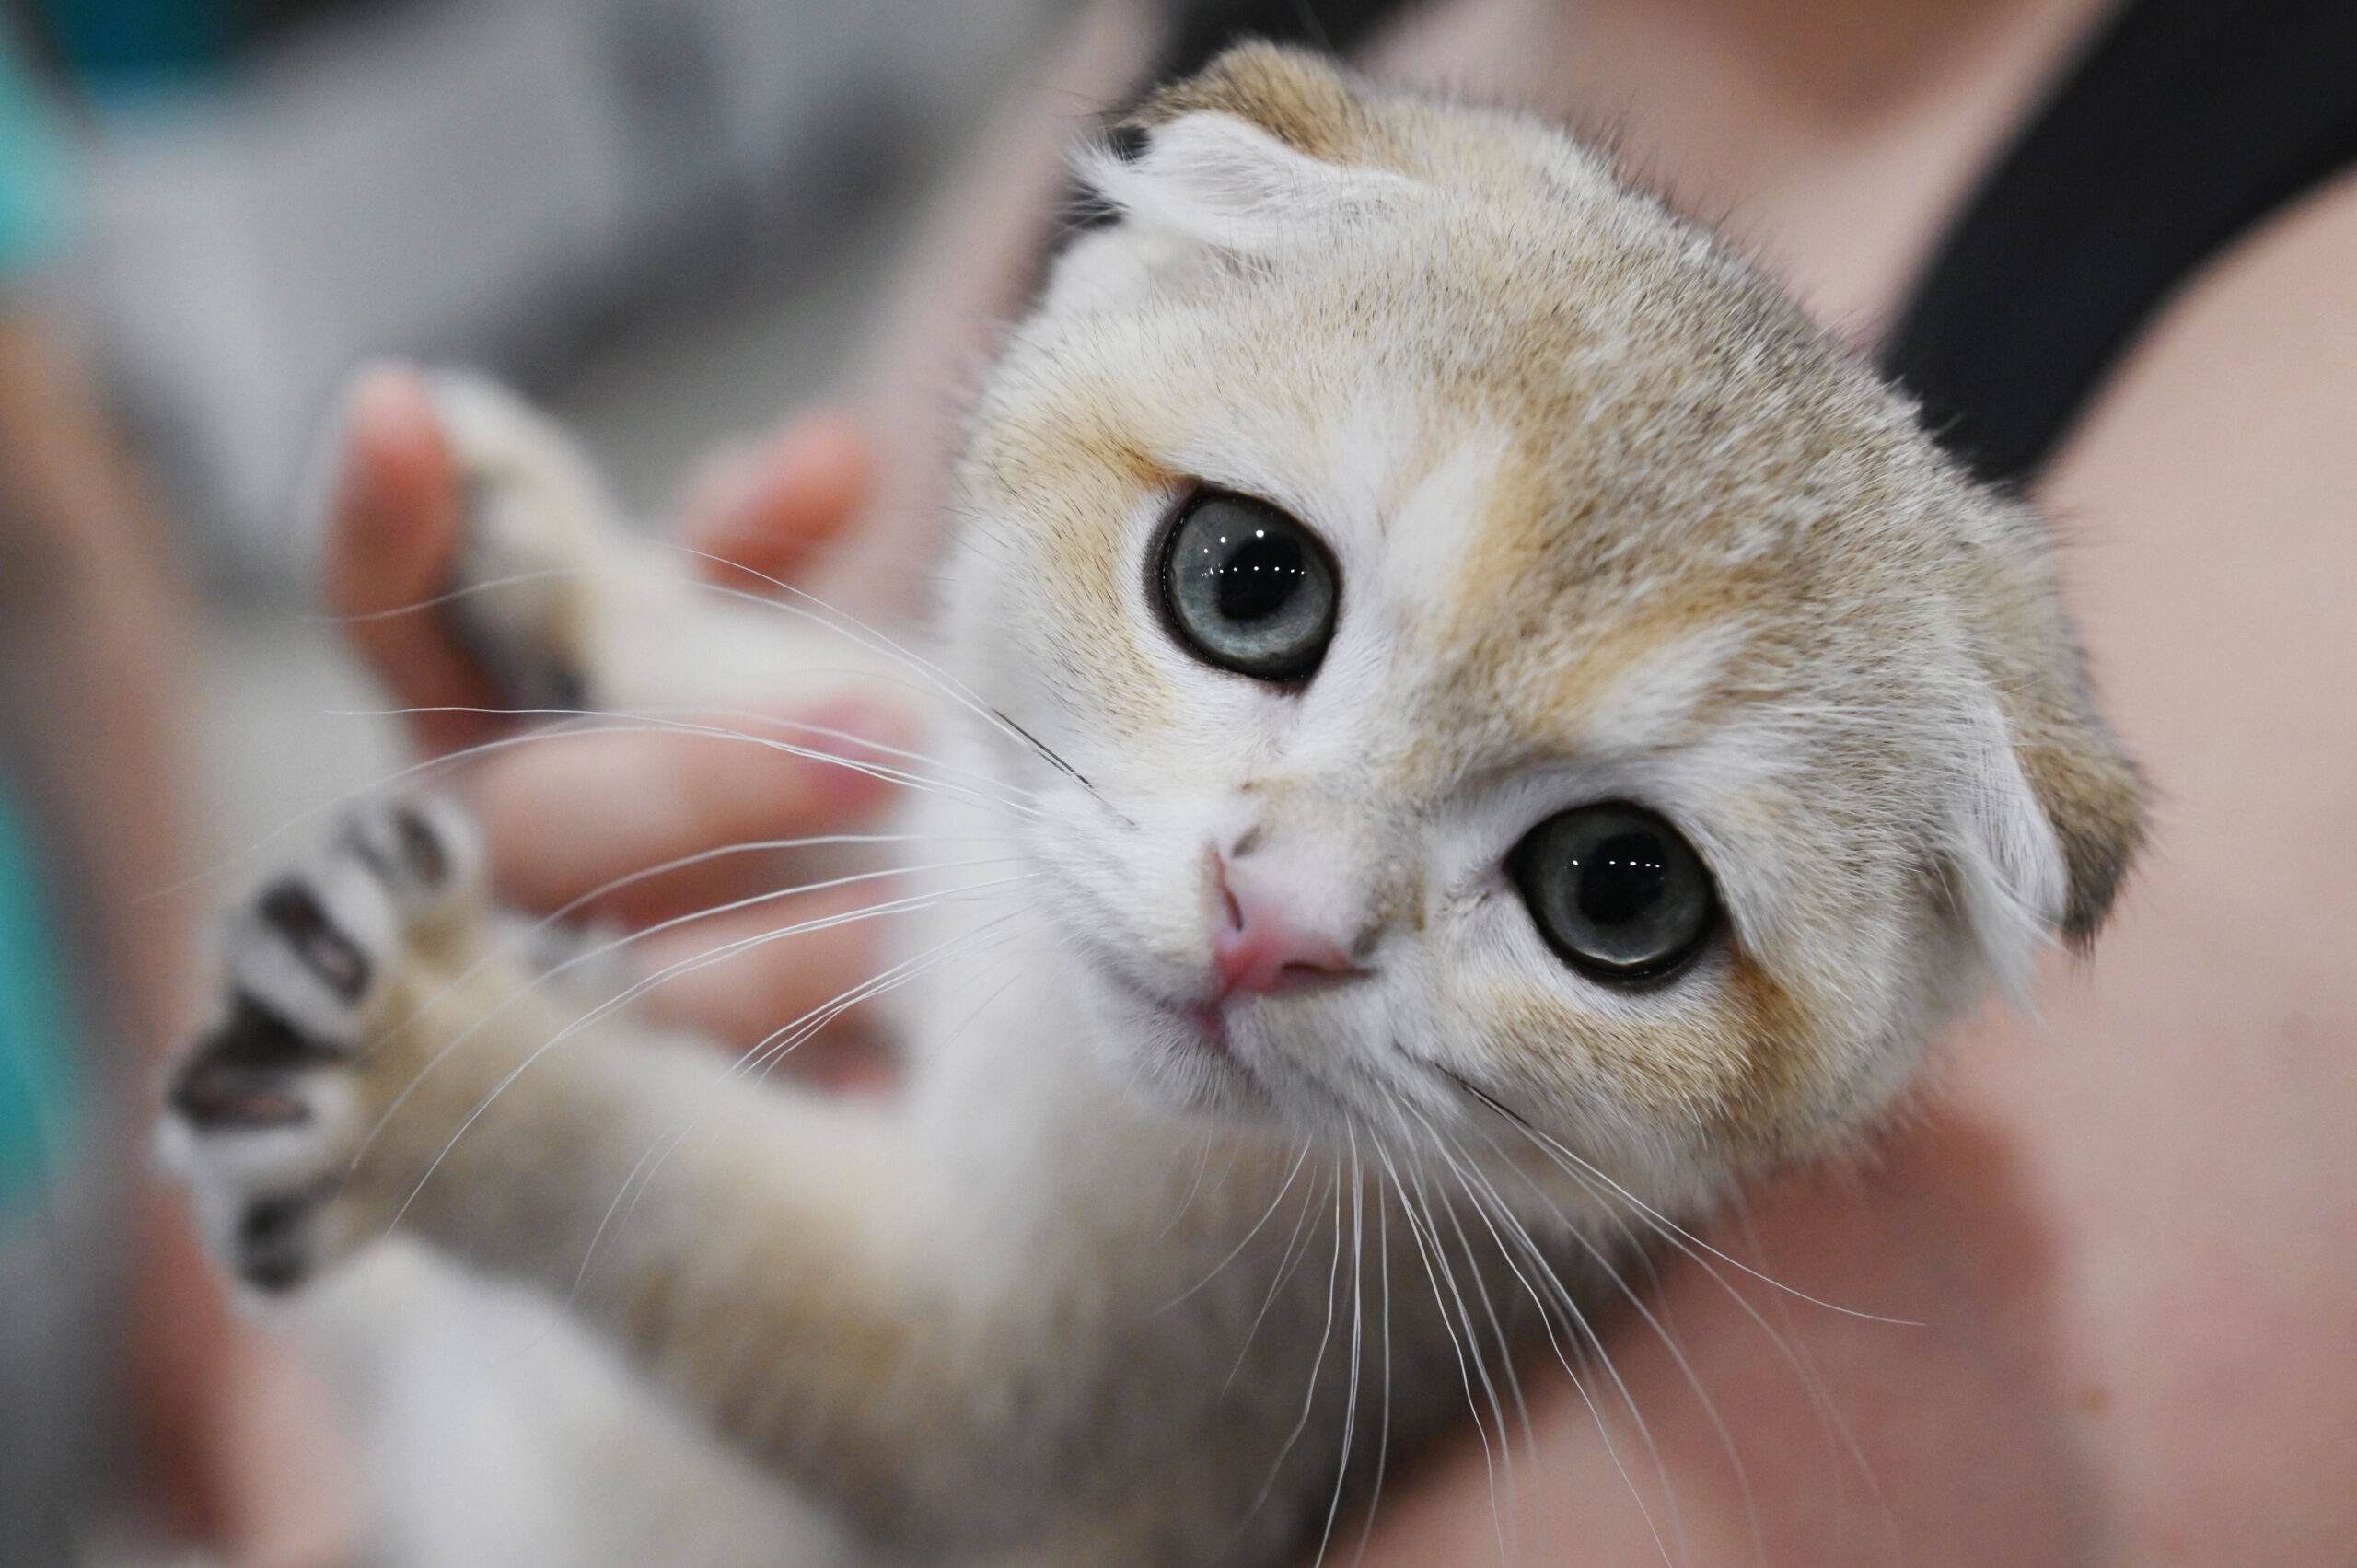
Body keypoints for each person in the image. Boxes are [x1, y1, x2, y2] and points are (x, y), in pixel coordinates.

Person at [314, 0, 2357, 1558]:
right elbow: (931, 647)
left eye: (1609, 888)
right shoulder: (1231, 89)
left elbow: (1024, 1439)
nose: (1274, 914)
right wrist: (666, 721)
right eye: (1252, 586)